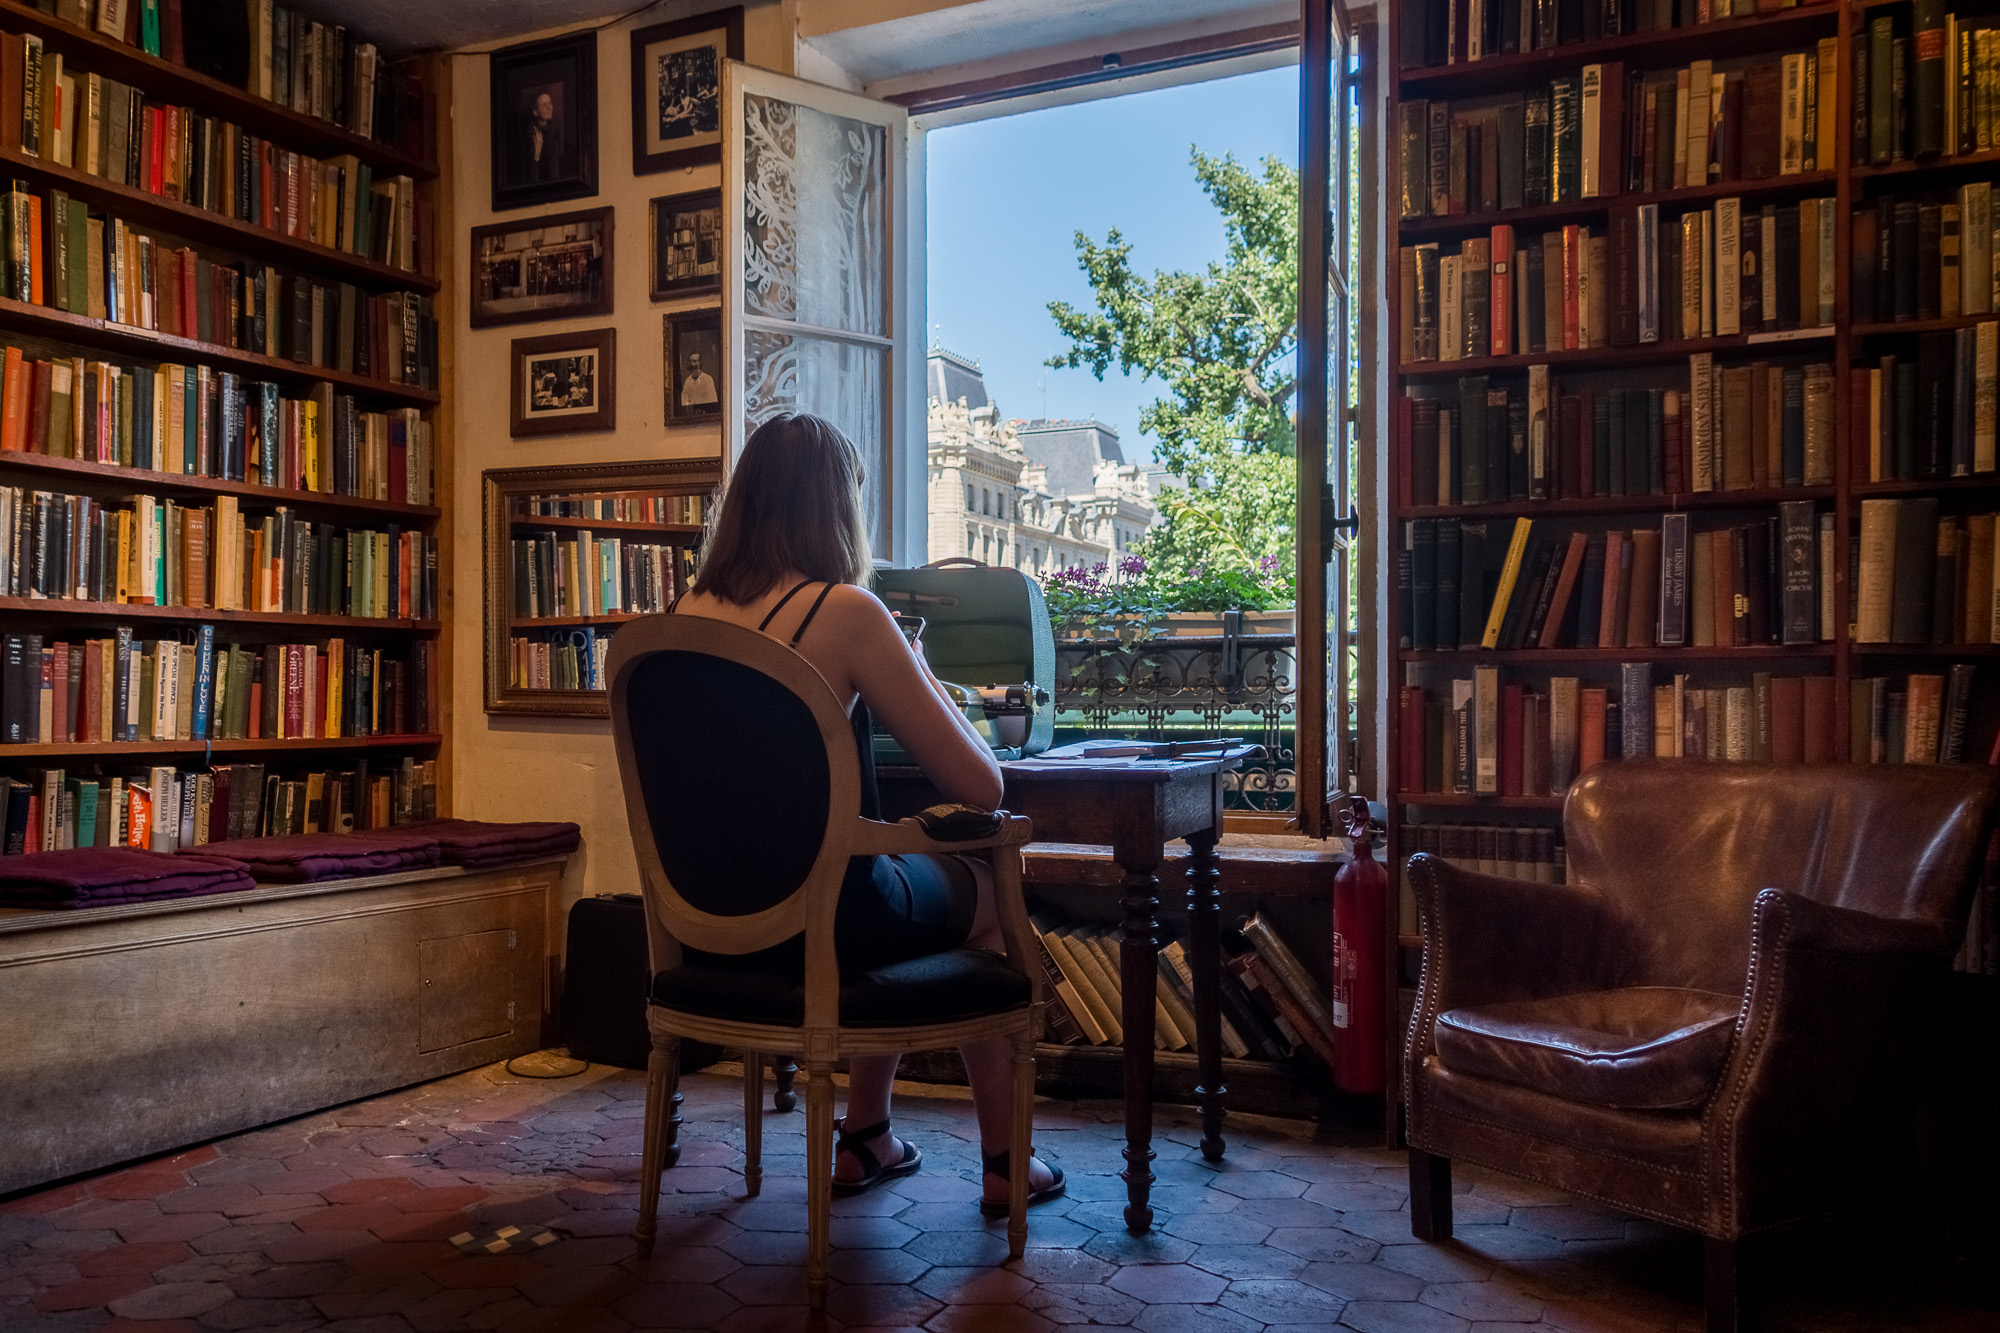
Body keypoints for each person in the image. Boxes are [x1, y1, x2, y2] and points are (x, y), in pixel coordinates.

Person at [673, 412, 1063, 1213]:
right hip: (830, 924)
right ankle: (1006, 1162)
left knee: (877, 867)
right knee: (989, 894)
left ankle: (867, 1135)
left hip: (709, 927)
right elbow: (982, 785)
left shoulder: (683, 617)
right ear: (836, 510)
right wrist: (915, 666)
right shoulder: (847, 611)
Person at [519, 89, 565, 183]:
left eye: (550, 103)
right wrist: (536, 154)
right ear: (535, 112)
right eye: (544, 105)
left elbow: (555, 159)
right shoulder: (529, 132)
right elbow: (532, 179)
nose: (550, 107)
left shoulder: (554, 122)